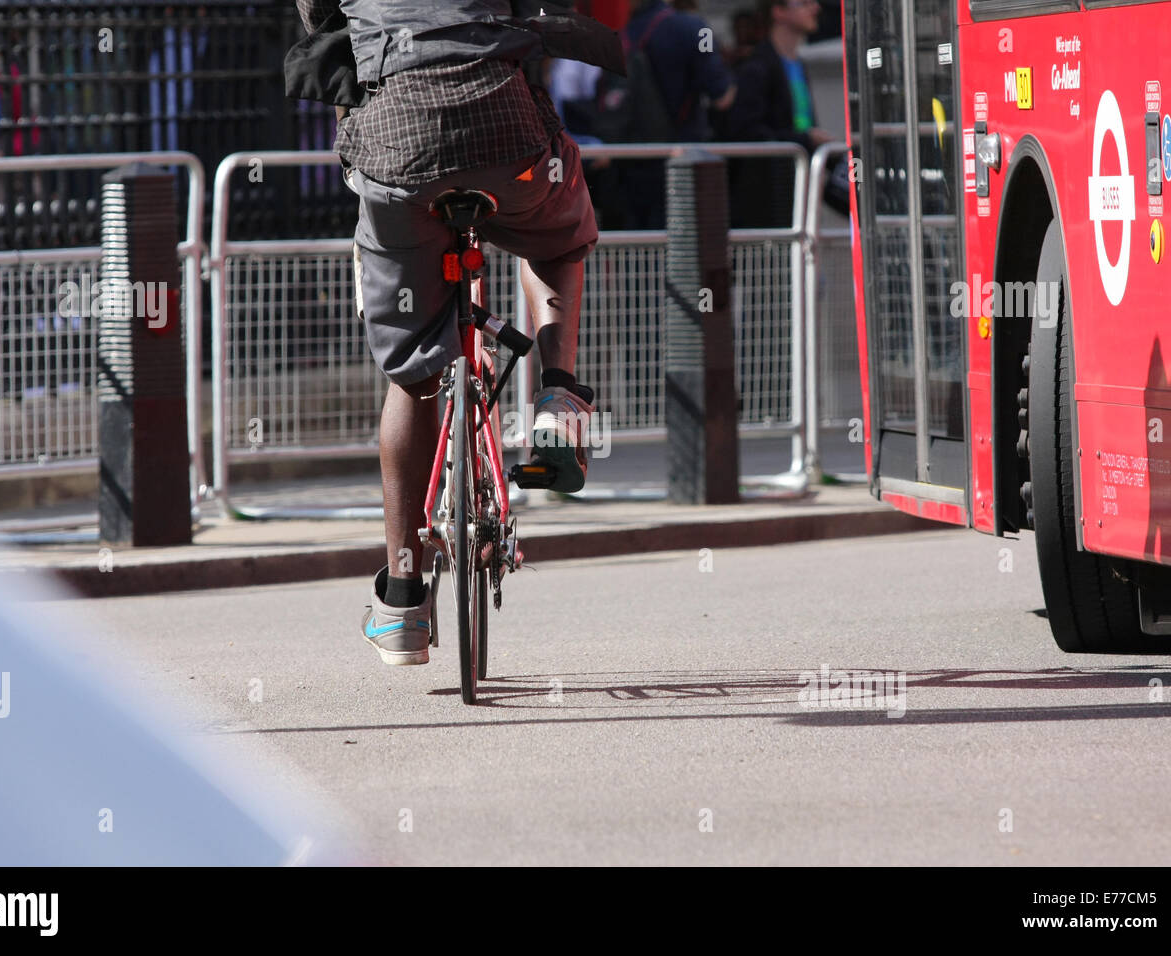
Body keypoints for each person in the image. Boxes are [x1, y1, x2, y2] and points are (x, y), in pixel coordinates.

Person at [292, 1, 612, 666]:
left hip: (397, 148)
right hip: (508, 137)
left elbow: (317, 17)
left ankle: (404, 601)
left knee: (412, 373)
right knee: (557, 235)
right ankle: (557, 400)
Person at [617, 0, 736, 228]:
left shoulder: (625, 33)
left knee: (638, 251)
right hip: (683, 162)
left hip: (631, 162)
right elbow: (722, 96)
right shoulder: (698, 29)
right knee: (685, 247)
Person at [722, 0, 837, 228]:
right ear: (779, 11)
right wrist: (805, 139)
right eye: (803, 3)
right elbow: (747, 132)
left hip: (796, 188)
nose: (815, 8)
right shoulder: (757, 67)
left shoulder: (797, 64)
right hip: (768, 199)